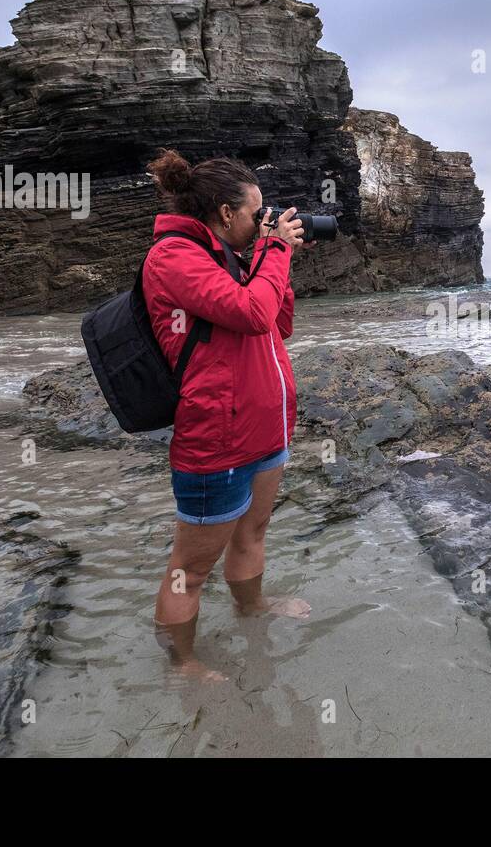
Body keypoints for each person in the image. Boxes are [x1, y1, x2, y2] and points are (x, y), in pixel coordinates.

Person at [142, 148, 309, 680]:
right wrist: (275, 251)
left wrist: (269, 256)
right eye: (255, 211)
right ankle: (182, 663)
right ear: (224, 212)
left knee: (252, 533)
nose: (263, 220)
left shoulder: (233, 254)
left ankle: (251, 608)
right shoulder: (174, 257)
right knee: (189, 570)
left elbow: (276, 323)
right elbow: (251, 312)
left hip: (264, 427)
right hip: (217, 437)